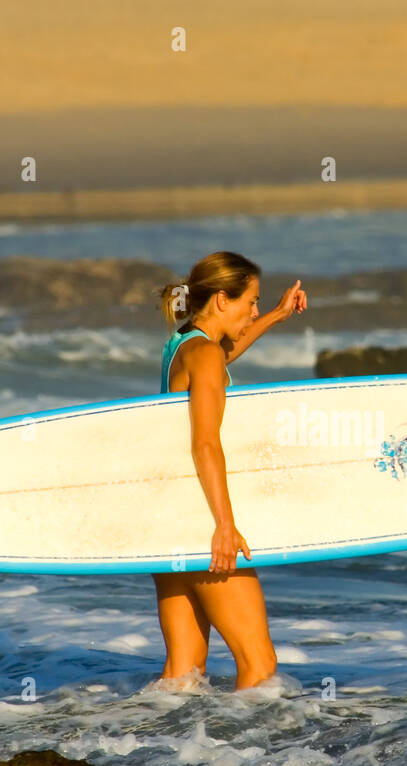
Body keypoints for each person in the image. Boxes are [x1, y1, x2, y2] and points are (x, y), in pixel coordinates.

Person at [152, 251, 307, 690]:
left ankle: (138, 732)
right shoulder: (204, 355)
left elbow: (221, 354)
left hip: (168, 523)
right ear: (222, 299)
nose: (254, 311)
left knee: (183, 672)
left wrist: (276, 316)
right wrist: (224, 525)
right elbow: (204, 443)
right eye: (252, 302)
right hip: (202, 521)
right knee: (259, 663)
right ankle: (256, 739)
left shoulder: (183, 345)